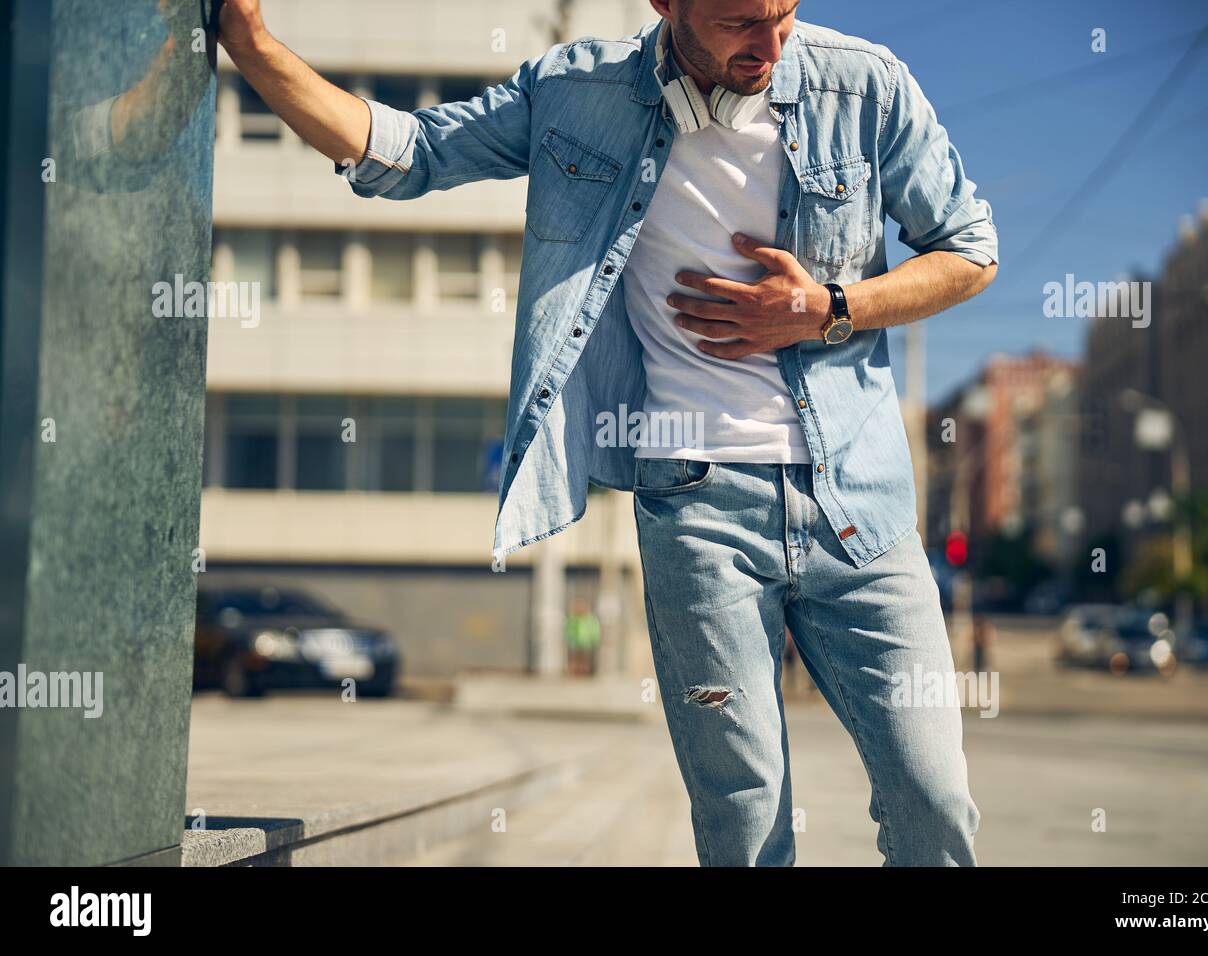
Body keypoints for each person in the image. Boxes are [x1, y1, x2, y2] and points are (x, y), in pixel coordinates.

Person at [217, 0, 998, 866]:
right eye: (741, 20)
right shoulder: (576, 91)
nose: (770, 46)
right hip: (697, 511)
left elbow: (969, 250)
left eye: (784, 14)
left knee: (936, 807)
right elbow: (408, 151)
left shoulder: (868, 85)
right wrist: (250, 45)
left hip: (861, 506)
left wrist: (826, 309)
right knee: (747, 825)